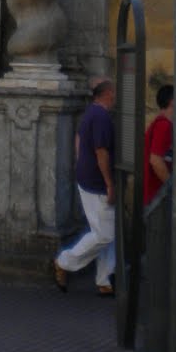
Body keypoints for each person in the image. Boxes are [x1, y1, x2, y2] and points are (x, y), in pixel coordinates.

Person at [53, 78, 116, 296]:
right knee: (105, 234)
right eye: (113, 92)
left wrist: (81, 161)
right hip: (96, 182)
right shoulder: (101, 116)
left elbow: (79, 138)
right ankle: (64, 262)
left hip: (86, 177)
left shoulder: (91, 112)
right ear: (107, 93)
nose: (115, 96)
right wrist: (109, 183)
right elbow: (101, 151)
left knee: (108, 230)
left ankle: (104, 279)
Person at [143, 83, 174, 206]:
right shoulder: (164, 125)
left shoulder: (160, 122)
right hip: (157, 196)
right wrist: (172, 187)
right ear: (173, 102)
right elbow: (155, 160)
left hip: (155, 193)